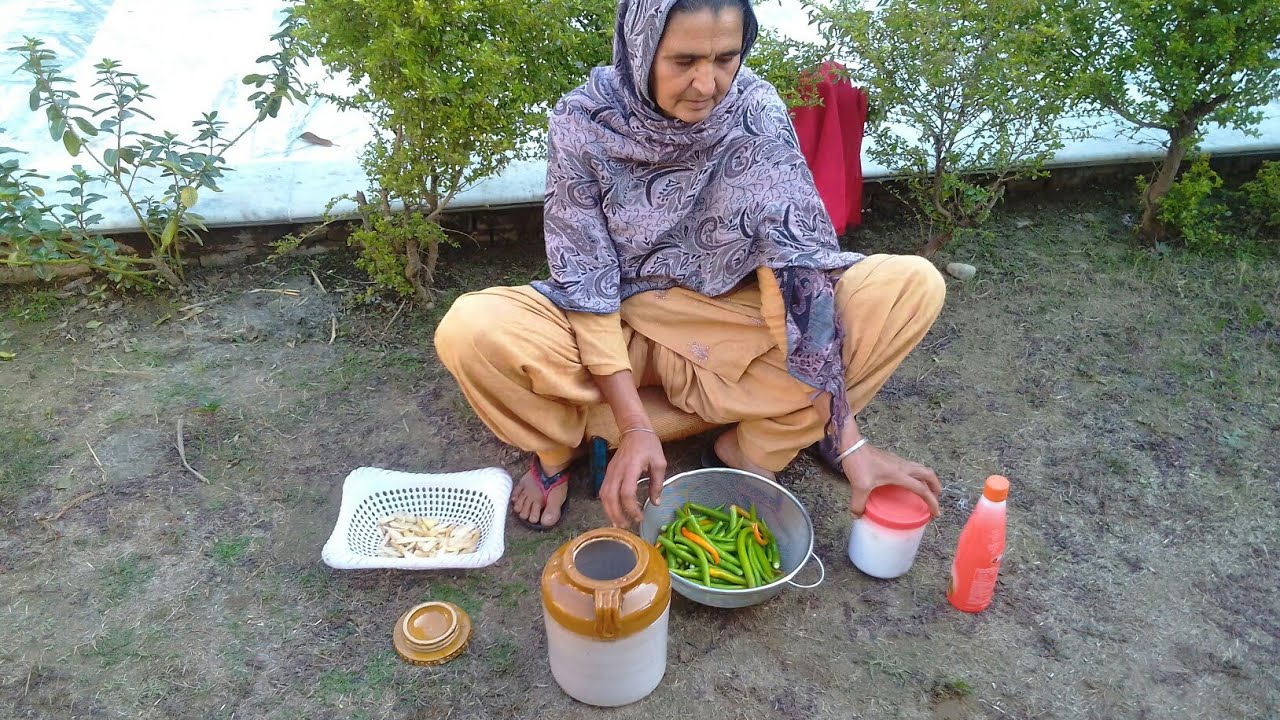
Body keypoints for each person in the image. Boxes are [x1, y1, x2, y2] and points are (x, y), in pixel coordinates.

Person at [435, 0, 945, 531]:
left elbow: (793, 271)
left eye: (727, 57)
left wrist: (852, 440)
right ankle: (559, 452)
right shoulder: (583, 119)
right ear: (640, 48)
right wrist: (635, 427)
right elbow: (584, 276)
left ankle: (752, 450)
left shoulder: (754, 109)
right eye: (684, 61)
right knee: (472, 329)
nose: (708, 84)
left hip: (727, 324)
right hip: (620, 323)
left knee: (908, 287)